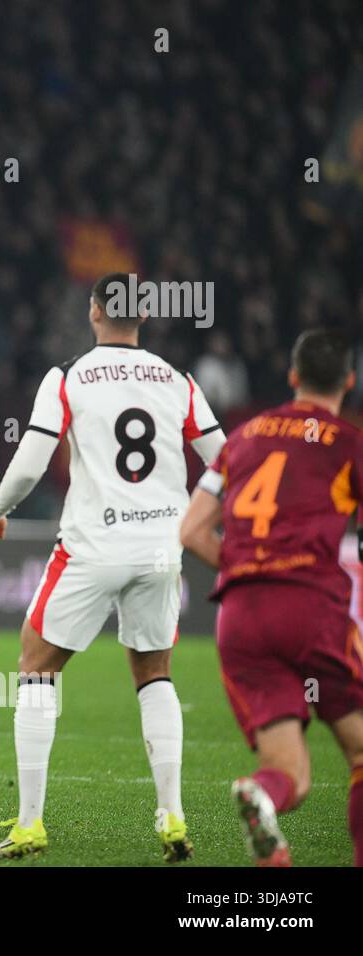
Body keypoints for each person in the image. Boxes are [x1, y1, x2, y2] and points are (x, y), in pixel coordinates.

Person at [0, 273, 225, 861]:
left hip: (93, 544)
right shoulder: (176, 381)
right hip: (163, 548)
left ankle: (31, 823)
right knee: (154, 674)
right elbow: (227, 457)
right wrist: (197, 516)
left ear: (93, 312)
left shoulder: (68, 376)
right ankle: (172, 816)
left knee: (36, 664)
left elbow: (32, 459)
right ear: (142, 318)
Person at [180, 329, 363, 867]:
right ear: (349, 382)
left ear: (292, 376)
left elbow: (192, 533)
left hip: (240, 617)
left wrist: (246, 565)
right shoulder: (348, 442)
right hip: (309, 607)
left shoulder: (243, 437)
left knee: (291, 775)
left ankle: (263, 796)